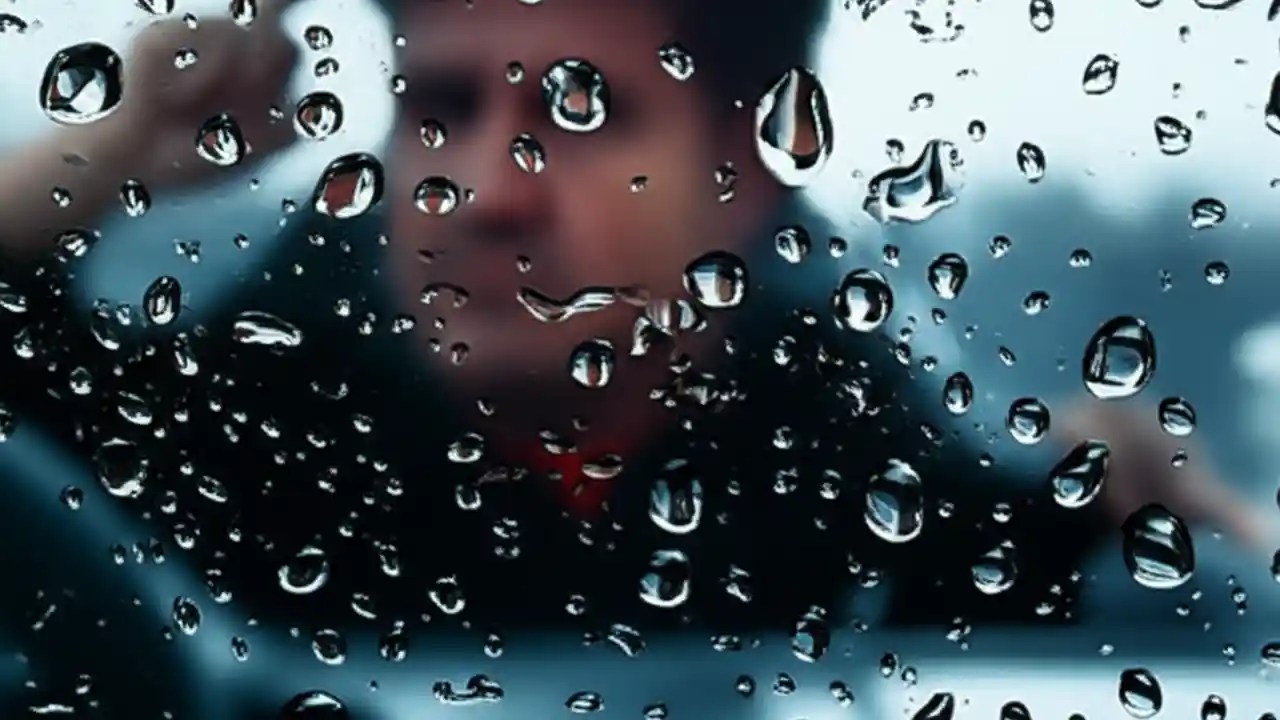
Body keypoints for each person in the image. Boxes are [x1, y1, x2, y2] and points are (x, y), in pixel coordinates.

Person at [0, 0, 1270, 716]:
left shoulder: (841, 442)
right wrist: (104, 155)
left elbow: (985, 555)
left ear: (743, 169)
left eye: (580, 108)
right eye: (438, 111)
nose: (487, 191)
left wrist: (1099, 489)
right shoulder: (229, 422)